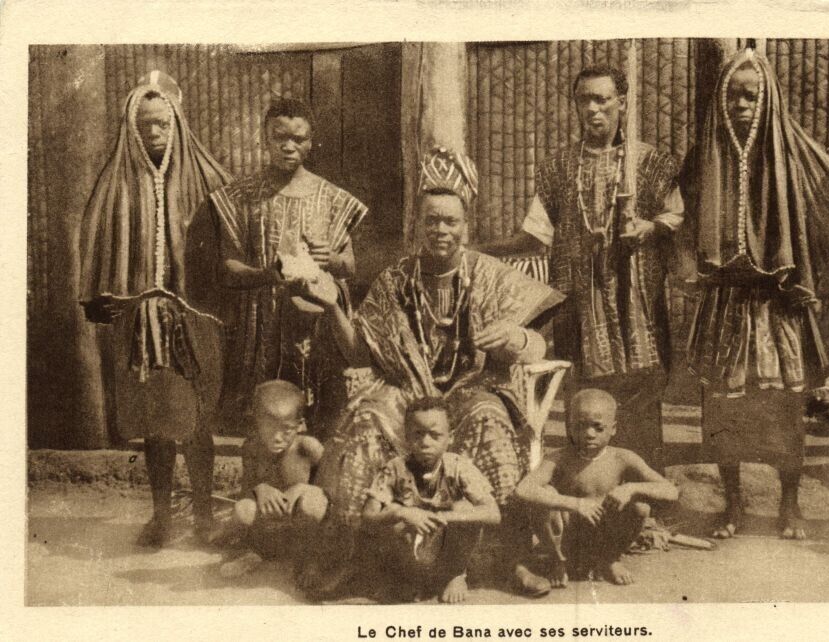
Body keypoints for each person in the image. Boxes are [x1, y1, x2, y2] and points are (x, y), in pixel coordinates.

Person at [294, 146, 564, 599]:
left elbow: (537, 342)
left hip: (470, 387)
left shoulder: (490, 275)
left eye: (450, 221)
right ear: (417, 224)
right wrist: (333, 307)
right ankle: (350, 559)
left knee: (489, 420)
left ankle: (507, 561)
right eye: (431, 220)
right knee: (366, 421)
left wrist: (515, 340)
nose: (440, 229)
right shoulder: (395, 279)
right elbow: (361, 352)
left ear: (465, 226)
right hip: (407, 389)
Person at [679, 48, 829, 540]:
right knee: (722, 413)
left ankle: (790, 507)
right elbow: (681, 217)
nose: (740, 106)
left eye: (751, 96)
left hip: (777, 302)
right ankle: (733, 508)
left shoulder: (790, 151)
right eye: (732, 96)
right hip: (725, 302)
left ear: (767, 102)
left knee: (784, 410)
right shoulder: (703, 157)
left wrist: (813, 266)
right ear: (718, 101)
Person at [481, 65, 684, 470]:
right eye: (584, 100)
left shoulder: (650, 163)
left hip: (638, 309)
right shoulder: (558, 170)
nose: (593, 109)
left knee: (642, 402)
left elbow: (677, 216)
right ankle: (582, 496)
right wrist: (479, 249)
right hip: (579, 309)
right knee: (585, 407)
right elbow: (534, 238)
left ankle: (646, 502)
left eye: (602, 99)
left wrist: (648, 227)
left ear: (621, 103)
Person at [78, 70, 231, 547]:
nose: (154, 134)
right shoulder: (115, 184)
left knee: (198, 422)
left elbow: (233, 241)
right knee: (156, 425)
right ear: (131, 128)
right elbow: (97, 245)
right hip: (139, 321)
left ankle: (205, 513)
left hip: (195, 318)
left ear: (178, 123)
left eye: (162, 124)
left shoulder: (209, 179)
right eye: (144, 125)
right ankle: (162, 514)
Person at [206, 98, 368, 435]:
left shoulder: (331, 198)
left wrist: (331, 260)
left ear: (310, 142)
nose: (288, 146)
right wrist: (267, 275)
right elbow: (227, 268)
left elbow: (349, 266)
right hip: (260, 325)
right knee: (264, 422)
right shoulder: (241, 197)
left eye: (298, 138)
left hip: (317, 323)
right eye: (279, 137)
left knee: (318, 419)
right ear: (265, 139)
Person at [514, 389, 678, 589]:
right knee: (544, 496)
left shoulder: (622, 458)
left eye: (598, 428)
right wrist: (576, 504)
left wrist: (632, 488)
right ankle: (558, 561)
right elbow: (524, 489)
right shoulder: (559, 458)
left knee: (640, 507)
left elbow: (671, 491)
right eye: (581, 426)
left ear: (613, 428)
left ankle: (610, 560)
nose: (589, 434)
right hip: (568, 537)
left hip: (605, 537)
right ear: (570, 426)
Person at [362, 397, 501, 603]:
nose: (425, 442)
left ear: (450, 437)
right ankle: (409, 578)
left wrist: (445, 516)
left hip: (447, 547)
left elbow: (493, 513)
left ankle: (455, 574)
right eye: (417, 434)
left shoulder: (458, 466)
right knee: (392, 509)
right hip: (409, 547)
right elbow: (368, 515)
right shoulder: (395, 468)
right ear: (406, 436)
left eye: (435, 435)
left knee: (464, 506)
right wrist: (401, 512)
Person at [220, 380, 327, 578]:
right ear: (256, 423)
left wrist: (303, 488)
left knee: (312, 502)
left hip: (304, 527)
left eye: (286, 429)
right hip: (271, 527)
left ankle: (313, 561)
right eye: (269, 428)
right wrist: (260, 488)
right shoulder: (252, 448)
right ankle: (250, 553)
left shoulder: (308, 448)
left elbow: (331, 490)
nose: (277, 437)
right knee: (243, 509)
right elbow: (245, 492)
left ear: (300, 425)